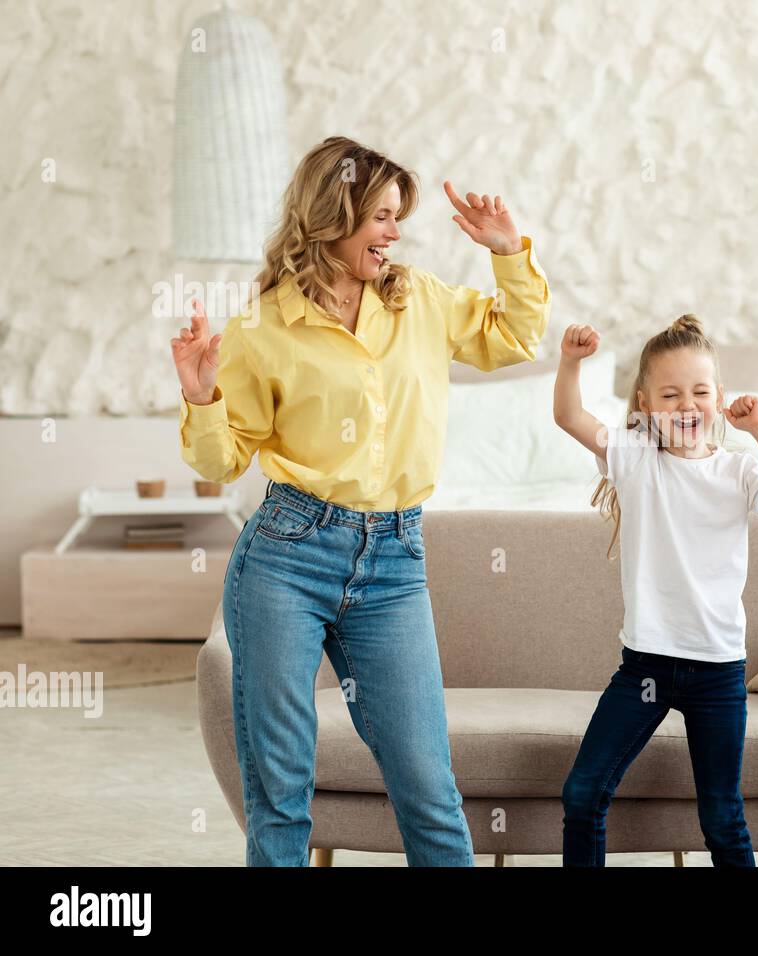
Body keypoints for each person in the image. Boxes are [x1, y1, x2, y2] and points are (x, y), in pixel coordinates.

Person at [171, 135, 551, 866]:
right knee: (281, 791)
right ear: (332, 215)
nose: (395, 233)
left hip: (395, 560)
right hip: (286, 555)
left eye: (396, 217)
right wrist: (201, 394)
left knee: (426, 782)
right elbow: (223, 460)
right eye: (380, 216)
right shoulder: (265, 324)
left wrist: (508, 251)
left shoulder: (422, 302)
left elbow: (514, 338)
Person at [552, 315, 758, 866]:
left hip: (717, 671)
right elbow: (568, 416)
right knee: (583, 794)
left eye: (699, 391)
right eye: (669, 394)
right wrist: (571, 362)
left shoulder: (737, 471)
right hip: (645, 666)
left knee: (721, 815)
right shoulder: (635, 457)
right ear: (644, 403)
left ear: (719, 397)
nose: (686, 405)